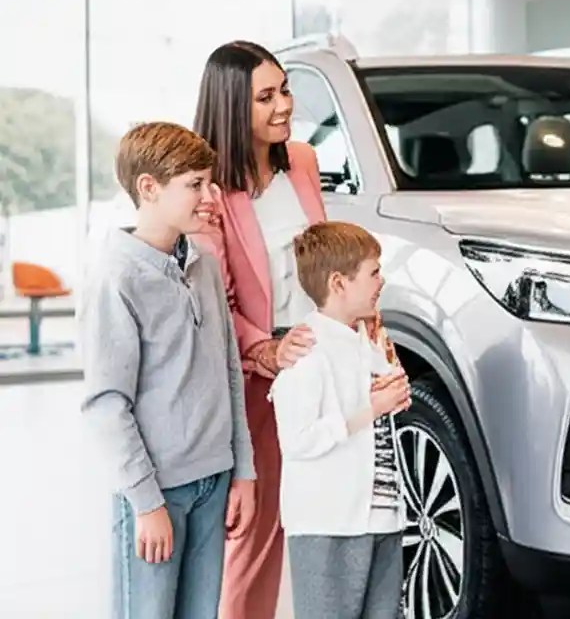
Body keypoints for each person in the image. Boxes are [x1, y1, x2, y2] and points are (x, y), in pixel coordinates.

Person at [81, 121, 257, 618]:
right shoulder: (116, 278)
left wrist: (241, 471)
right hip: (156, 492)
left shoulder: (202, 261)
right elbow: (107, 404)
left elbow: (228, 372)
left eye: (209, 182)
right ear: (148, 188)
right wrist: (146, 502)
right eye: (195, 185)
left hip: (214, 482)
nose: (210, 196)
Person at [189, 39, 326, 618]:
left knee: (329, 524)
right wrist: (268, 350)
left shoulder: (303, 161)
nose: (284, 106)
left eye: (285, 90)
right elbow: (216, 301)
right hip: (258, 377)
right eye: (265, 97)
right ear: (231, 106)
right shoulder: (210, 192)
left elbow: (325, 258)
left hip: (320, 359)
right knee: (256, 533)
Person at [269, 221, 411, 619]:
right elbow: (297, 441)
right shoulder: (307, 351)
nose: (381, 281)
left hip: (382, 516)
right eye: (373, 271)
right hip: (329, 523)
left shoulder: (366, 342)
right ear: (338, 283)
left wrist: (393, 394)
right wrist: (371, 409)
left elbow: (385, 415)